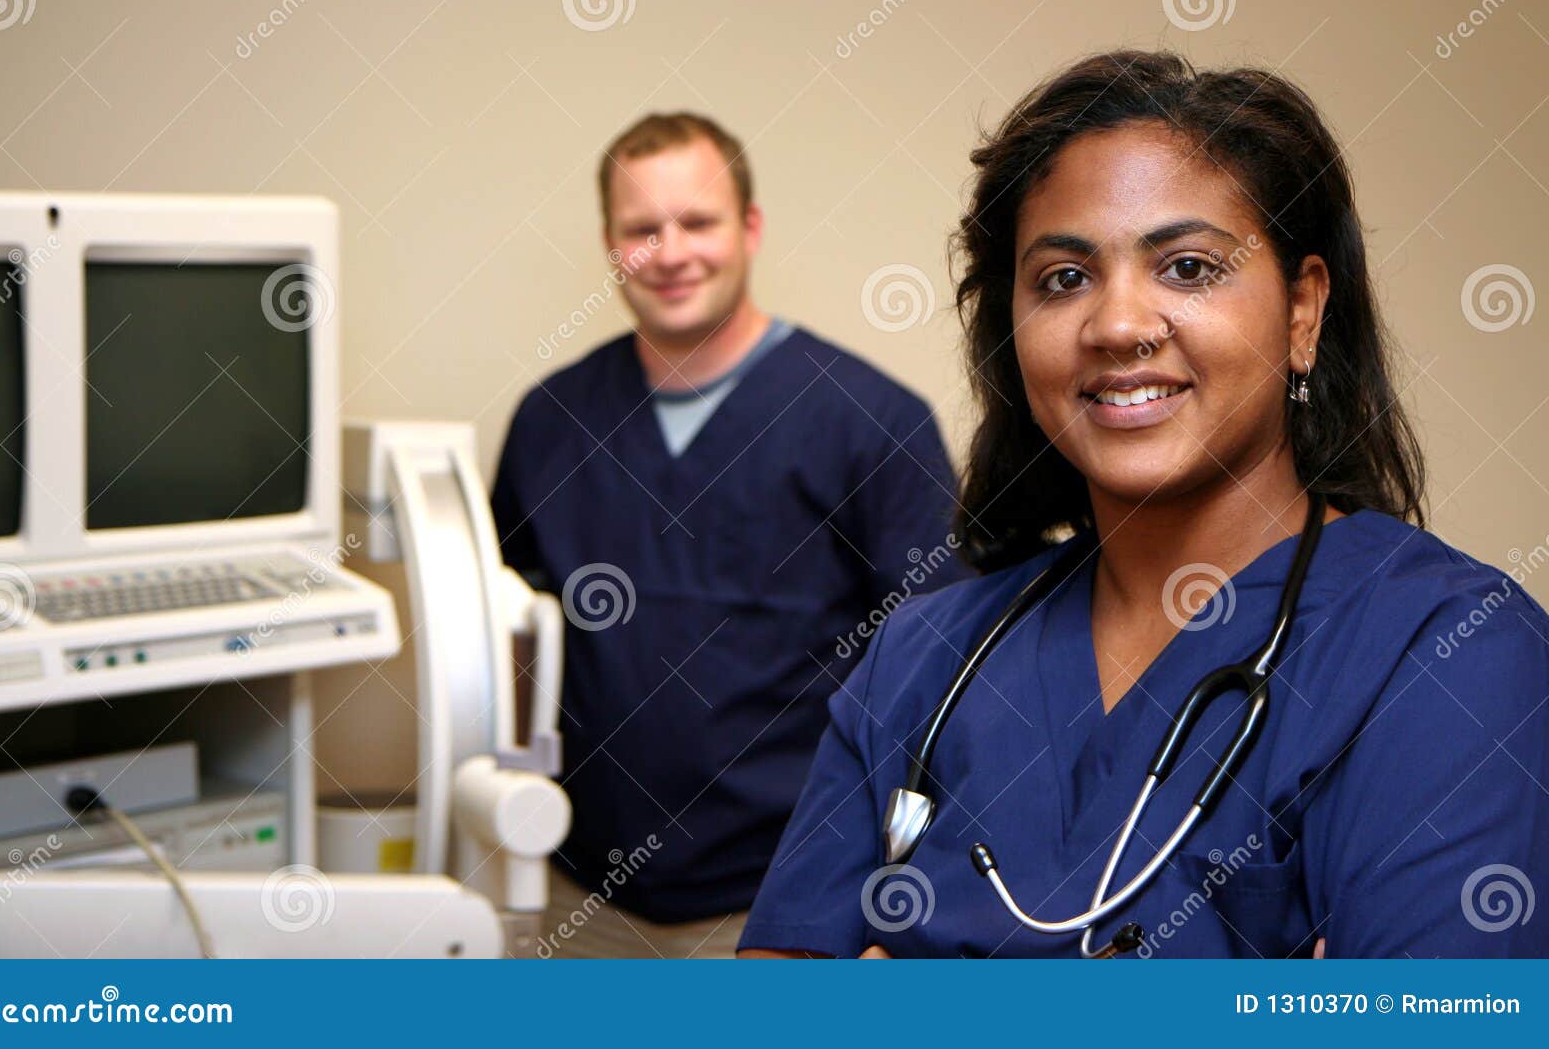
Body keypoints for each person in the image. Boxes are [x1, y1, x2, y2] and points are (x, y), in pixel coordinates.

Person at [738, 50, 1549, 959]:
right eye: (1063, 278)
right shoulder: (922, 659)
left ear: (1302, 312)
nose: (1119, 325)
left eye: (1190, 267)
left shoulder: (1452, 654)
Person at [491, 112, 969, 957]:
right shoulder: (553, 421)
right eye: (643, 229)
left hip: (783, 904)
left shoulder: (868, 422)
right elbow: (505, 636)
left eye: (698, 222)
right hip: (578, 896)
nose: (671, 252)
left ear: (749, 228)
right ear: (611, 244)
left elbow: (937, 679)